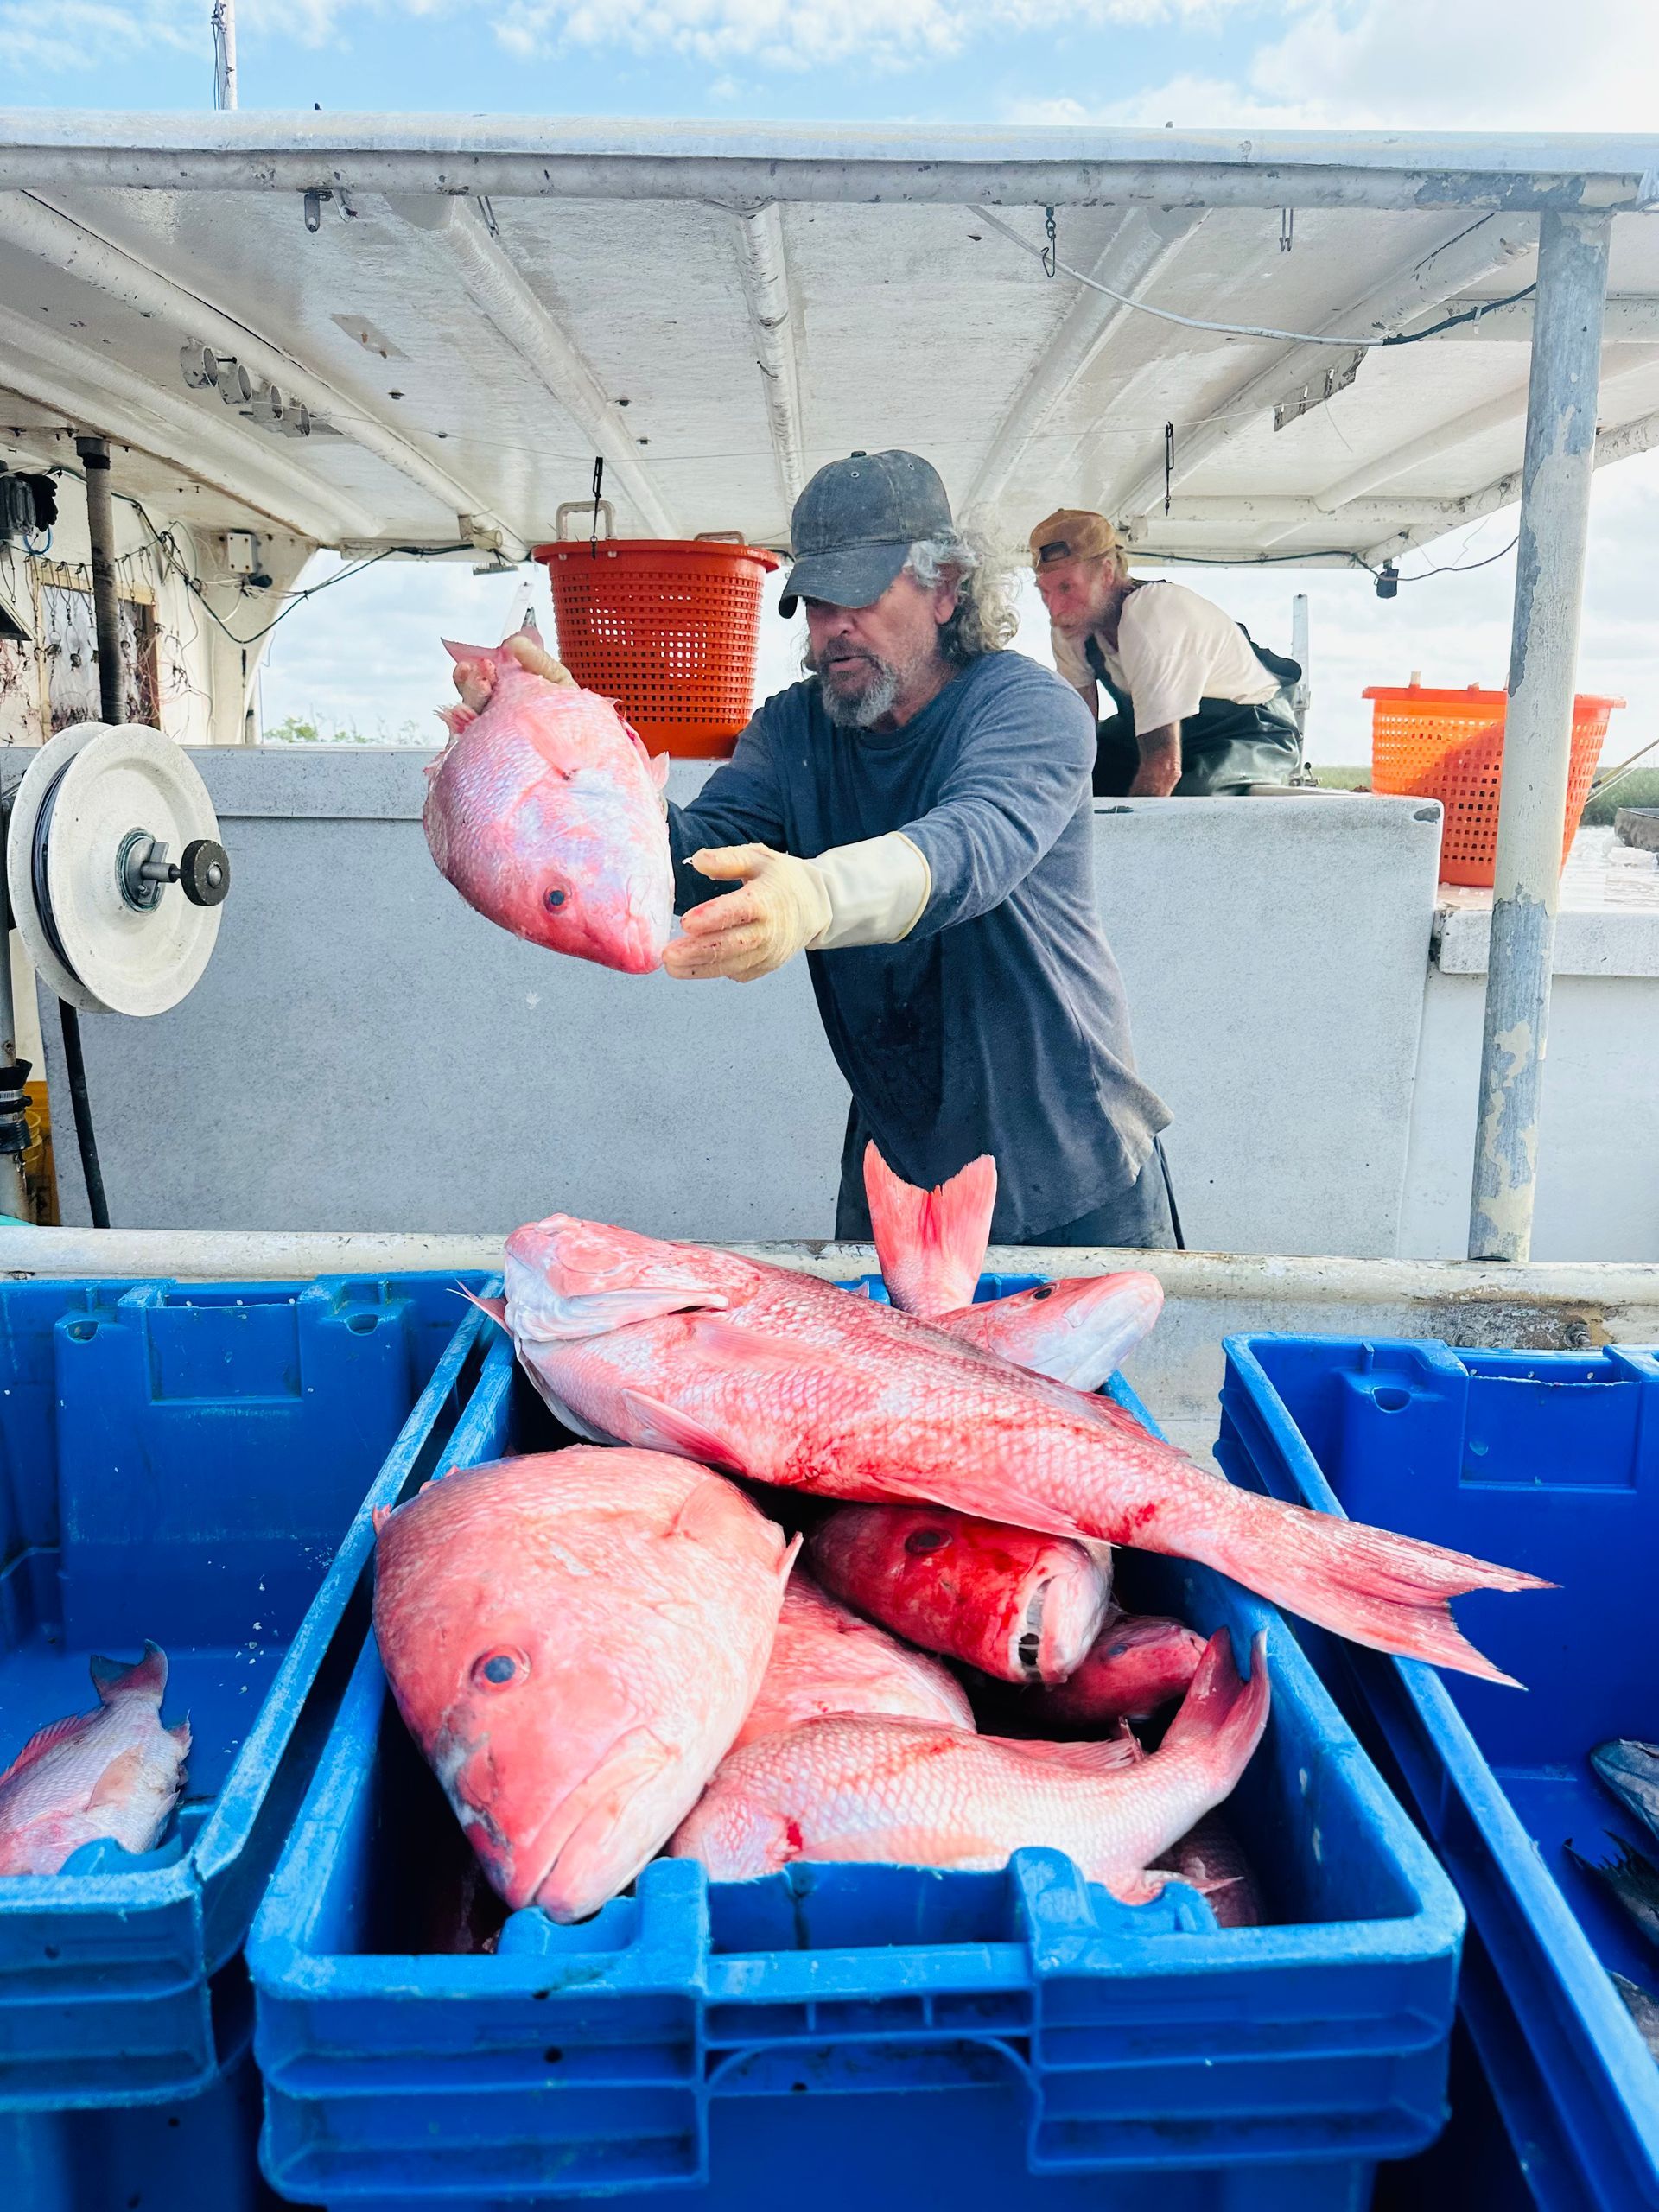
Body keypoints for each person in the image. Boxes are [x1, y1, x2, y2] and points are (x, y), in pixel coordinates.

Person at [654, 449, 1178, 1250]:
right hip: (899, 1163)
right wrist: (577, 768)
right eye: (817, 603)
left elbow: (973, 847)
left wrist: (815, 897)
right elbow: (695, 860)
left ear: (945, 589)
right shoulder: (792, 730)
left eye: (859, 595)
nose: (834, 627)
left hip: (1067, 1155)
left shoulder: (1026, 708)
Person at [1030, 507, 1304, 798]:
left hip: (1248, 732)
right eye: (1045, 592)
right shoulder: (1072, 625)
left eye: (1067, 587)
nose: (1056, 609)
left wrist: (1131, 837)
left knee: (1192, 801)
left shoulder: (1153, 618)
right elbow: (1080, 738)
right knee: (1053, 775)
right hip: (1147, 731)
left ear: (1107, 573)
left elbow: (1163, 767)